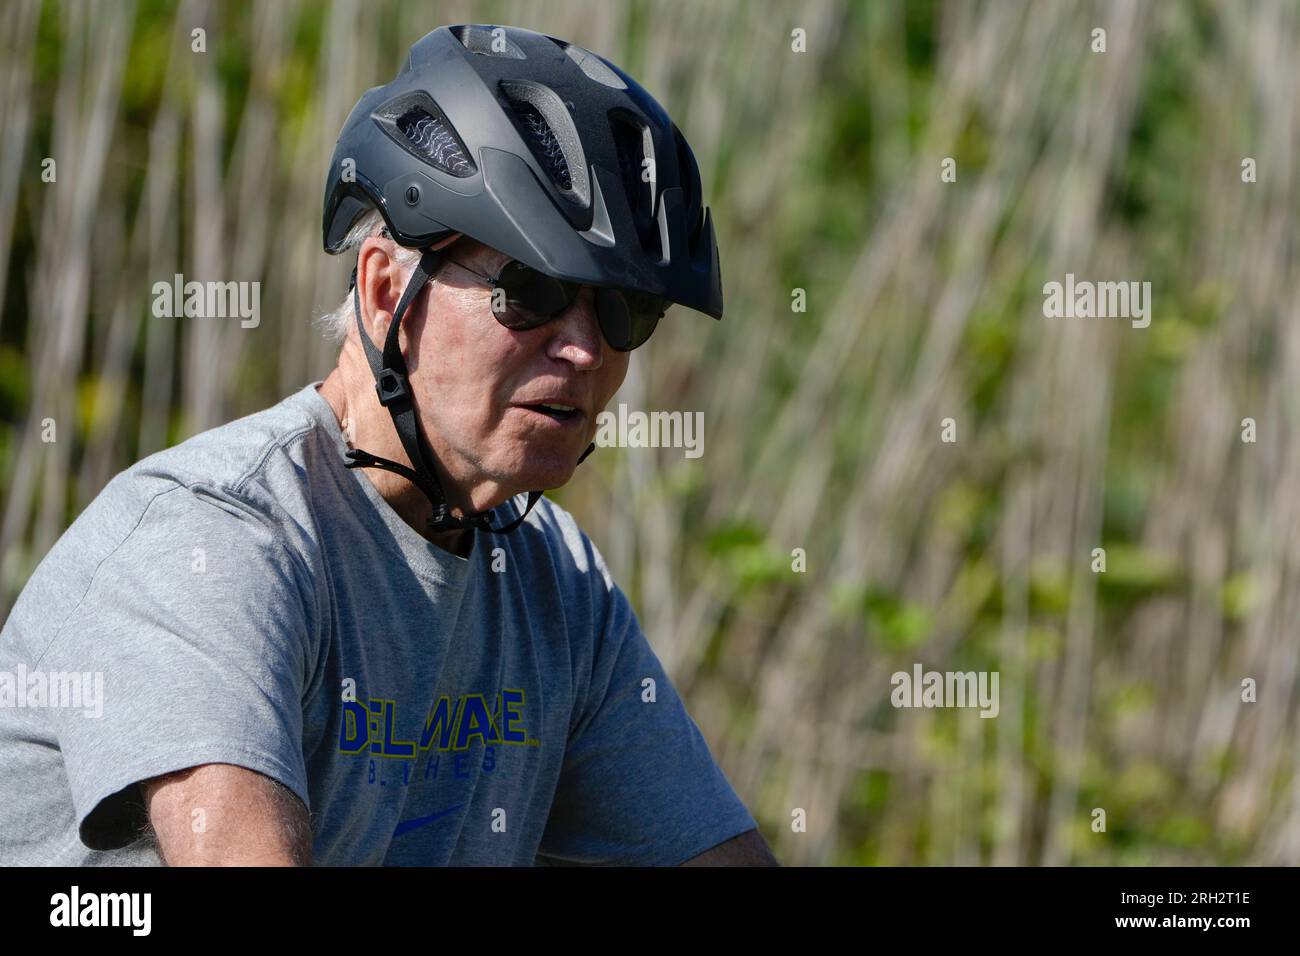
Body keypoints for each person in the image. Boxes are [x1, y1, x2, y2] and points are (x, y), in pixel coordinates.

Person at [0, 23, 777, 866]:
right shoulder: (210, 545)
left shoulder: (561, 588)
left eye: (627, 313)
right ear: (382, 291)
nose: (586, 350)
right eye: (533, 292)